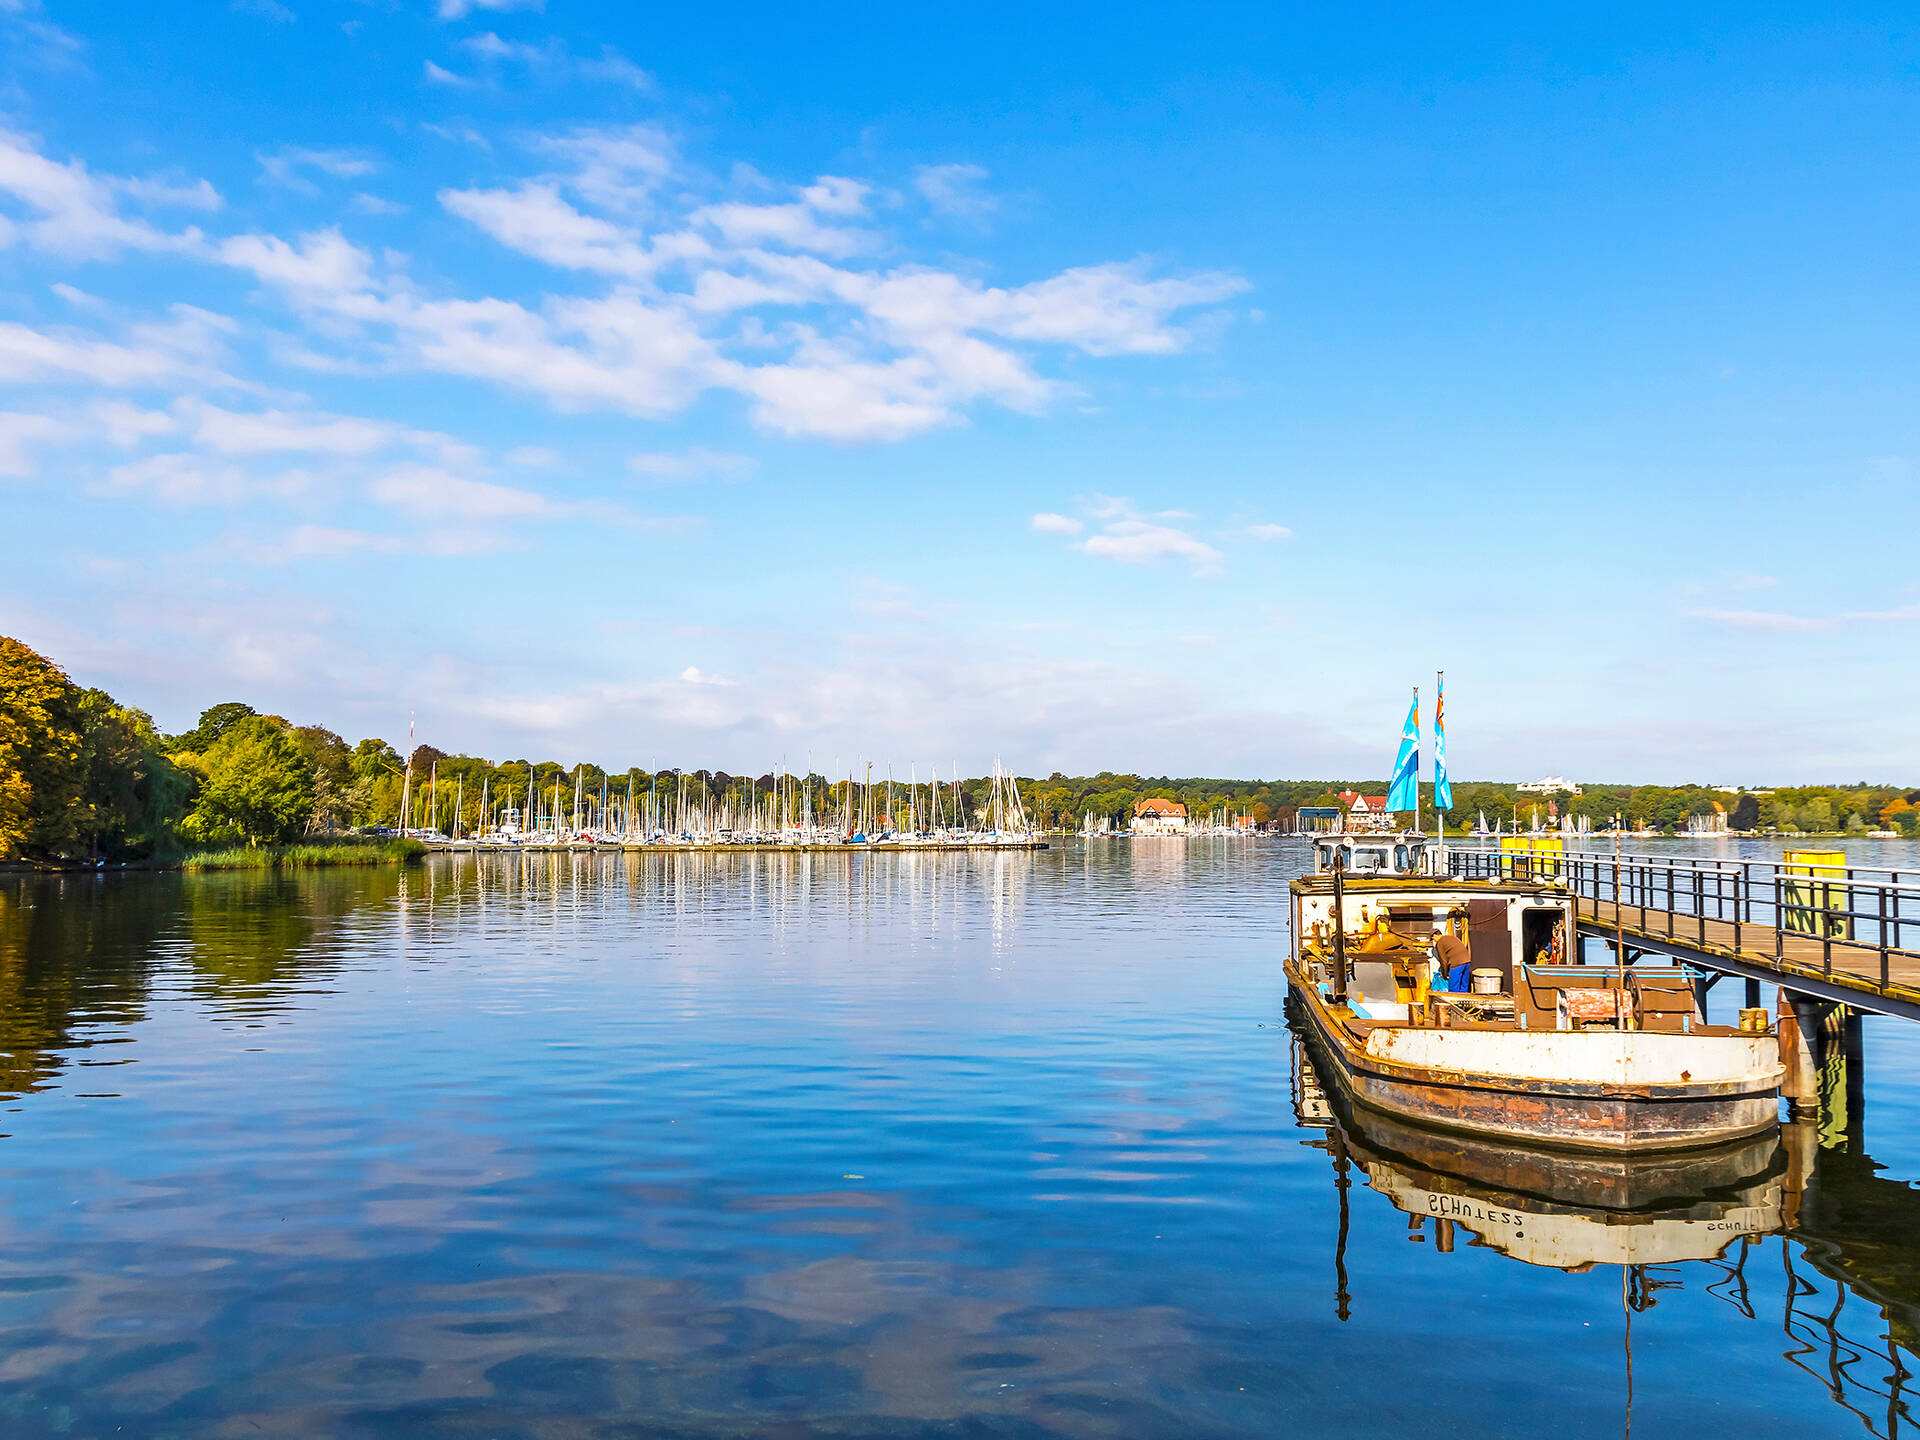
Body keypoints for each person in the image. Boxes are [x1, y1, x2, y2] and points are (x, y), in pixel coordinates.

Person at [1435, 908, 1471, 991]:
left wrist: (1444, 974)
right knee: (1463, 987)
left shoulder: (1440, 942)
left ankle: (1453, 1004)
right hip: (1467, 962)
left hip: (1457, 964)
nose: (1434, 941)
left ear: (1435, 936)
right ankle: (1462, 1003)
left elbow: (1443, 960)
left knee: (1453, 989)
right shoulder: (1450, 937)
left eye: (1433, 939)